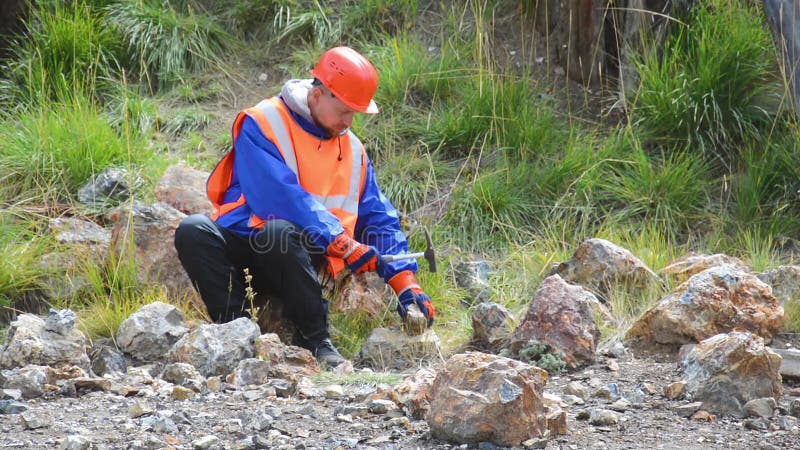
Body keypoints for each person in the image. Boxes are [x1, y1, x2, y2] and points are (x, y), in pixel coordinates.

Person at [174, 46, 435, 367]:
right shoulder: (263, 122)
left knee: (279, 235)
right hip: (249, 244)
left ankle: (317, 341)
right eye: (344, 111)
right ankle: (236, 333)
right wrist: (341, 240)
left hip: (303, 260)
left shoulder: (353, 150)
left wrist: (405, 283)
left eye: (355, 114)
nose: (349, 121)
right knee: (194, 231)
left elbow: (378, 218)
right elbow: (279, 198)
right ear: (318, 95)